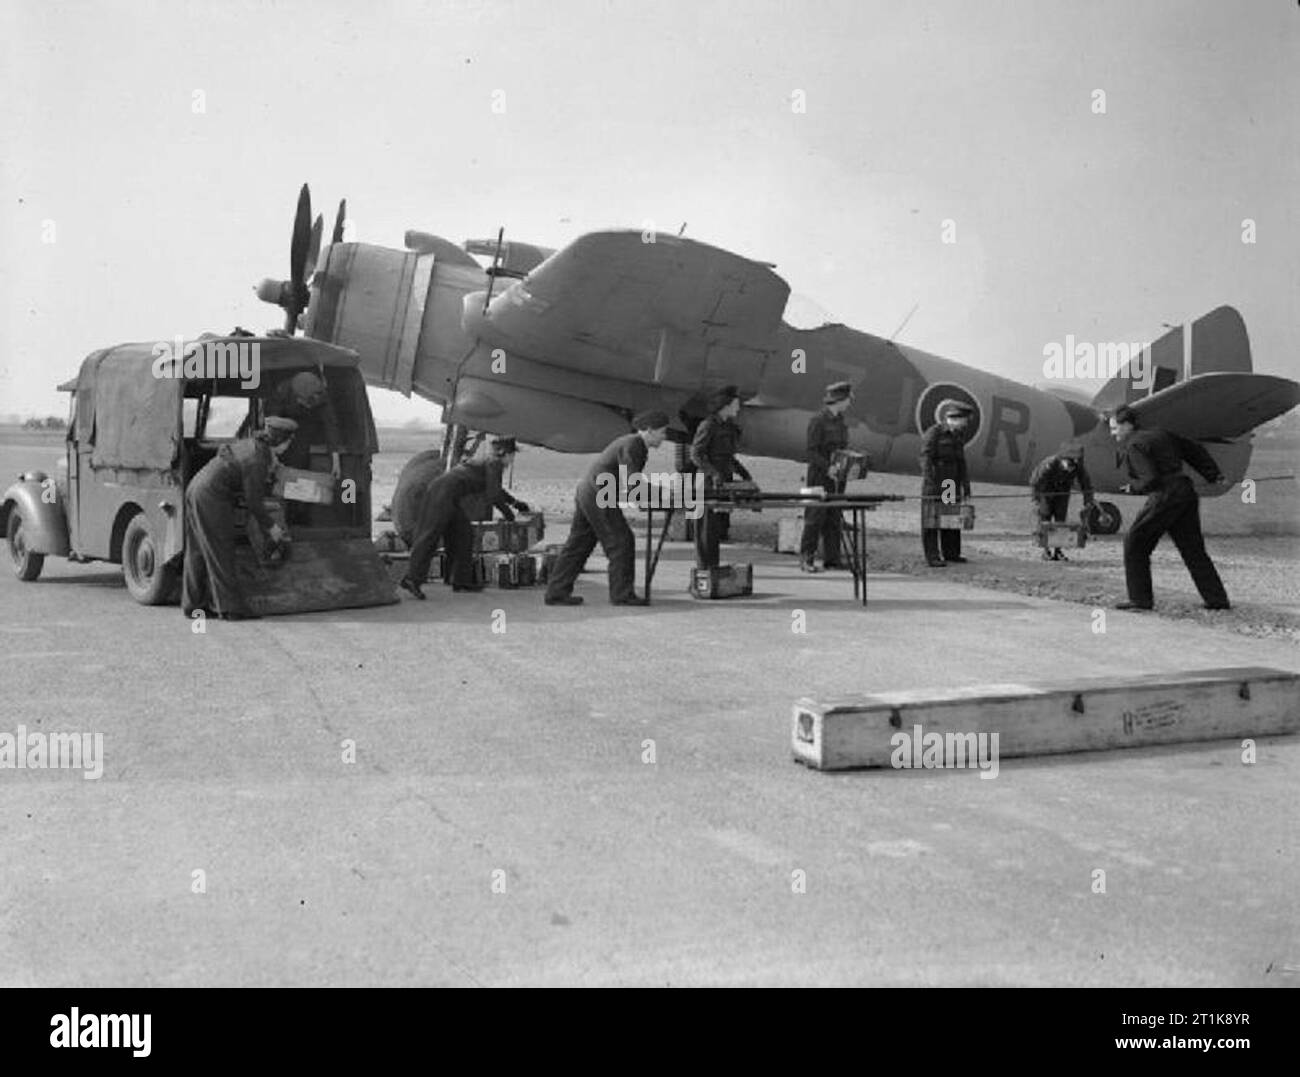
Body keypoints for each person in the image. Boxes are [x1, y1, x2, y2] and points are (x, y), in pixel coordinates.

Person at [1108, 405, 1229, 611]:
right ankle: (1217, 600)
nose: (1113, 433)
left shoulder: (1134, 445)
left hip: (1166, 496)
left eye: (1114, 428)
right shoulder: (1161, 433)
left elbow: (1150, 479)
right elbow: (1194, 450)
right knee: (1193, 549)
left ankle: (1140, 600)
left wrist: (1133, 487)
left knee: (1135, 543)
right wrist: (1213, 474)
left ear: (1127, 425)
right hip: (1186, 492)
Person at [543, 411, 671, 606]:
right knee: (621, 541)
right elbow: (633, 483)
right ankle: (622, 595)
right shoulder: (634, 444)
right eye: (662, 432)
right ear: (650, 431)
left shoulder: (632, 443)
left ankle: (556, 592)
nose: (665, 437)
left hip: (589, 491)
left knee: (579, 544)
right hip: (599, 493)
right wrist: (665, 493)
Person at [182, 416, 297, 620]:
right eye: (289, 442)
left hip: (196, 487)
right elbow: (254, 502)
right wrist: (272, 527)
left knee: (198, 549)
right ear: (281, 441)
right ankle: (231, 609)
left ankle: (194, 605)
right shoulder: (258, 458)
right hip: (212, 495)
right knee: (221, 549)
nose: (289, 447)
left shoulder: (253, 445)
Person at [399, 436, 530, 599]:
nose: (512, 460)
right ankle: (412, 579)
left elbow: (495, 490)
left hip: (448, 496)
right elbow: (493, 495)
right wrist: (510, 516)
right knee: (429, 537)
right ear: (504, 453)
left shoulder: (489, 462)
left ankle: (460, 581)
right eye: (512, 455)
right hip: (441, 495)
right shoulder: (494, 463)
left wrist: (515, 503)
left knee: (464, 534)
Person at [689, 386, 754, 569]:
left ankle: (713, 568)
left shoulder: (729, 427)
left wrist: (746, 475)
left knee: (716, 528)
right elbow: (696, 454)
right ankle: (704, 569)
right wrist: (714, 473)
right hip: (708, 482)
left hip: (723, 481)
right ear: (725, 406)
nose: (738, 408)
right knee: (705, 529)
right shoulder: (708, 425)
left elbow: (729, 457)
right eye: (735, 404)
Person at [799, 381, 854, 572]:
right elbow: (811, 452)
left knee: (834, 517)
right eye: (847, 399)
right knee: (814, 518)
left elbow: (841, 448)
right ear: (839, 400)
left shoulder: (840, 421)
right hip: (818, 476)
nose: (849, 403)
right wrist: (827, 467)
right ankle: (807, 558)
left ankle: (832, 559)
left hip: (837, 478)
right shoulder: (818, 421)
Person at [919, 401, 973, 566]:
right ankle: (933, 556)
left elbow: (961, 461)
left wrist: (965, 485)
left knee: (950, 520)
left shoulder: (957, 436)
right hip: (936, 481)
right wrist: (929, 478)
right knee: (932, 520)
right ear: (955, 418)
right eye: (964, 420)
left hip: (950, 482)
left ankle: (951, 553)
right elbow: (925, 457)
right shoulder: (935, 432)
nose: (965, 424)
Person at [263, 370, 343, 478]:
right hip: (283, 423)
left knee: (300, 455)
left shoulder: (321, 396)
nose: (305, 404)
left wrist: (336, 461)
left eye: (309, 402)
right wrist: (272, 454)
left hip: (306, 426)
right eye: (303, 401)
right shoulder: (282, 391)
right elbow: (270, 423)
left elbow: (331, 426)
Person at [1029, 443, 1096, 561]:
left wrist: (1088, 501)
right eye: (1069, 465)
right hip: (1046, 493)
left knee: (1060, 522)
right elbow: (1036, 482)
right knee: (1045, 521)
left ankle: (1058, 551)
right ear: (1062, 460)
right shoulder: (1049, 465)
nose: (1071, 469)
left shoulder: (1077, 467)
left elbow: (1086, 484)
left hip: (1063, 494)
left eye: (1073, 467)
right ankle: (1046, 551)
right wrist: (1037, 500)